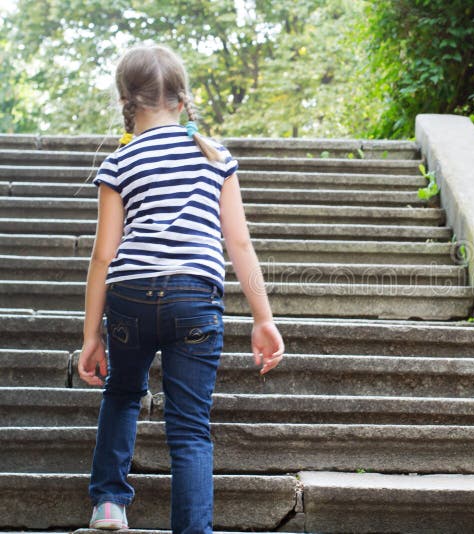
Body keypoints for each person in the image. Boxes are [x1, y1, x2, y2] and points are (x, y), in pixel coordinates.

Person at [76, 44, 285, 533]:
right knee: (190, 429)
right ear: (180, 98)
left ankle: (108, 503)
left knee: (123, 393)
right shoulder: (215, 157)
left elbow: (103, 255)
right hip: (194, 296)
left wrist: (91, 336)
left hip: (129, 296)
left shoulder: (120, 161)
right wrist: (263, 317)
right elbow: (239, 243)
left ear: (127, 98)